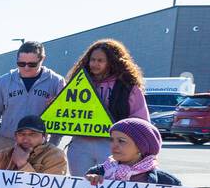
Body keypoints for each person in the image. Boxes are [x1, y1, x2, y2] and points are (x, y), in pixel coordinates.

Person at [62, 39, 150, 176]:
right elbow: (63, 112)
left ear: (112, 62)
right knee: (80, 187)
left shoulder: (127, 87)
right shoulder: (78, 83)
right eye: (92, 60)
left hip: (111, 145)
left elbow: (141, 120)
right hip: (80, 145)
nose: (95, 64)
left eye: (100, 60)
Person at [0, 40, 66, 154]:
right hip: (7, 143)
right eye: (21, 64)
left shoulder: (56, 81)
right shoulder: (4, 81)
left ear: (42, 59)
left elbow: (61, 117)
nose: (26, 68)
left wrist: (52, 144)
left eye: (32, 64)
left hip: (39, 146)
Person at [86, 118, 181, 187]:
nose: (114, 145)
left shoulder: (166, 182)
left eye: (121, 141)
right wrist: (88, 182)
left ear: (141, 147)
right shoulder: (98, 172)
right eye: (112, 140)